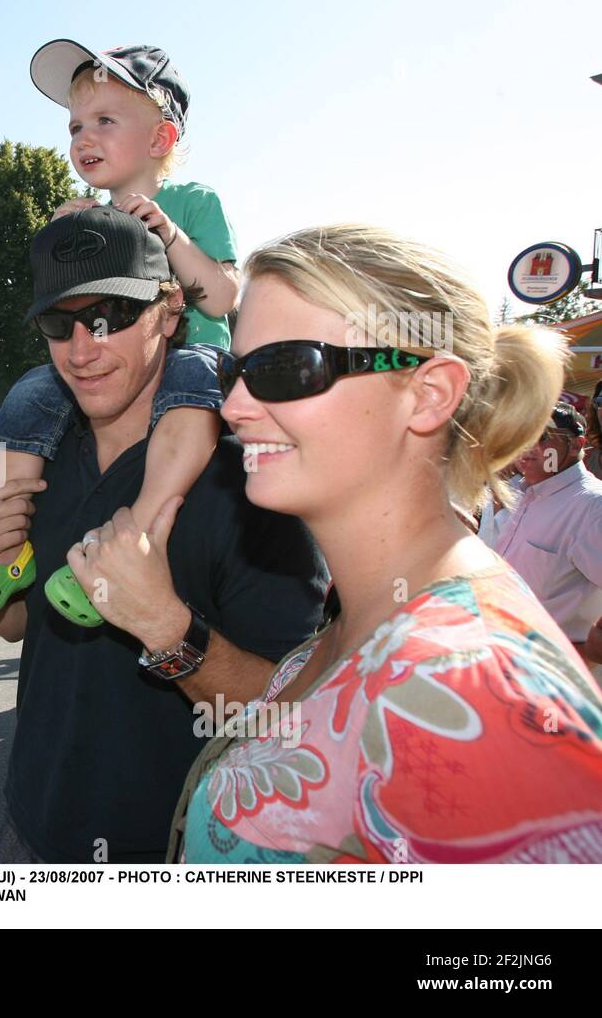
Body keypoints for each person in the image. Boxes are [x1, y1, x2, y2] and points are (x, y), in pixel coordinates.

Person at [156, 223, 602, 863]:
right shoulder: (384, 617)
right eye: (236, 371)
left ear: (428, 394)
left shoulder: (470, 684)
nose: (234, 406)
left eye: (287, 367)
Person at [0, 208, 327, 863]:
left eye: (111, 317)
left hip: (172, 851)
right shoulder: (42, 452)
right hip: (28, 824)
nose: (82, 349)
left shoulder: (253, 482)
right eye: (59, 325)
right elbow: (17, 623)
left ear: (169, 311)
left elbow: (291, 720)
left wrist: (171, 632)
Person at [0, 41, 236, 628]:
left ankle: (135, 537)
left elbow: (226, 299)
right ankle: (6, 551)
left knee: (189, 383)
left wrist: (172, 238)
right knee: (34, 388)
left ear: (161, 139)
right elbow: (74, 313)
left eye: (106, 120)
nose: (84, 137)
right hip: (124, 369)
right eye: (76, 124)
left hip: (194, 363)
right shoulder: (89, 215)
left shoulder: (192, 202)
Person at [487, 402, 602, 683]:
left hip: (558, 678)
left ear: (576, 445)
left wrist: (588, 654)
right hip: (507, 666)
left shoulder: (592, 506)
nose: (526, 446)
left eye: (541, 437)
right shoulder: (520, 492)